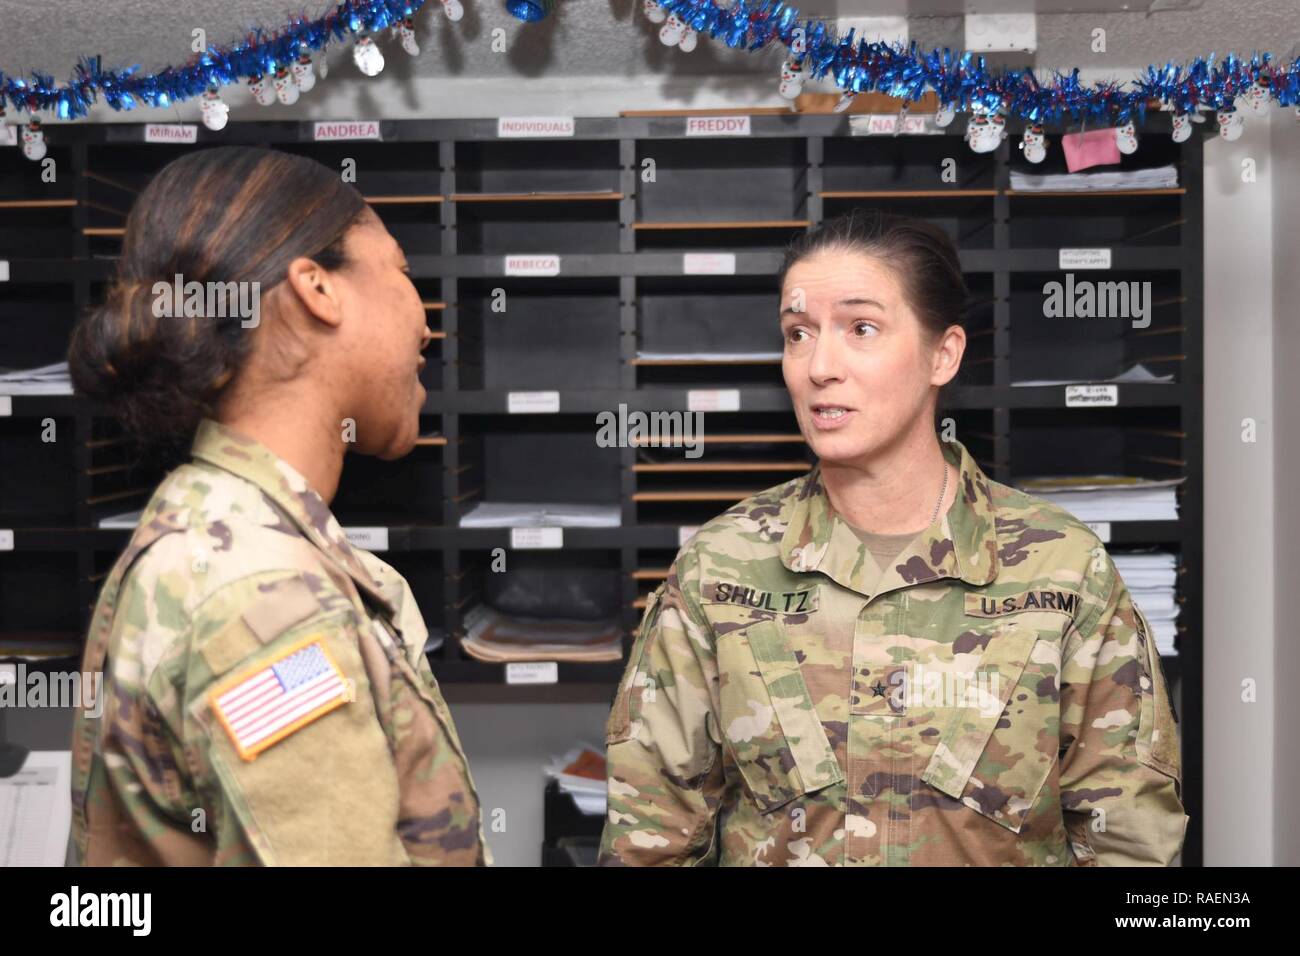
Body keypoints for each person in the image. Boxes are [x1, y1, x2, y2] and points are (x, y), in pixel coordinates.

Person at [598, 209, 1188, 866]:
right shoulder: (722, 569)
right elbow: (650, 839)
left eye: (862, 328)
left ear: (944, 353)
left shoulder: (1063, 570)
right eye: (798, 333)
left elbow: (1129, 846)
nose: (820, 365)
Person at [66, 146, 489, 865]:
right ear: (317, 290)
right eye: (403, 271)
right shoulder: (262, 600)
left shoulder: (222, 531)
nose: (428, 323)